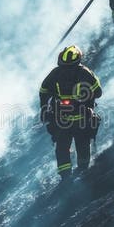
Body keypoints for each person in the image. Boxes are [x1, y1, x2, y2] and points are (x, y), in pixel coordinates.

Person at [39, 44, 102, 181]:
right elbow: (98, 92)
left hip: (62, 121)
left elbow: (43, 91)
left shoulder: (55, 73)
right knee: (83, 146)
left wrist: (44, 108)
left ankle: (66, 178)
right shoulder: (85, 72)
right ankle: (83, 173)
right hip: (82, 120)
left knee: (62, 149)